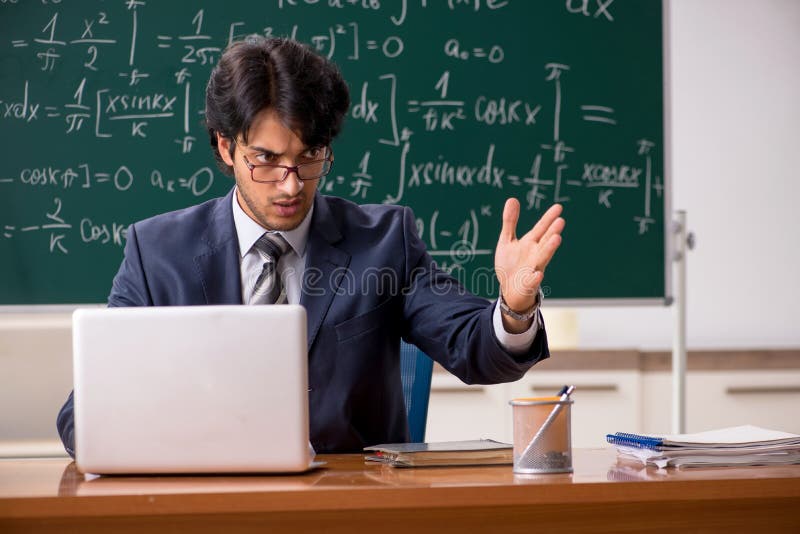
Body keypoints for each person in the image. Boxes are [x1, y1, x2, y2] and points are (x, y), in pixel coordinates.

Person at [56, 36, 564, 456]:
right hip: (208, 500)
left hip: (350, 506)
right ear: (224, 146)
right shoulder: (157, 252)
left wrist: (515, 309)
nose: (291, 184)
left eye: (310, 156)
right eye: (266, 159)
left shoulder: (384, 242)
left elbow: (477, 350)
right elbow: (84, 416)